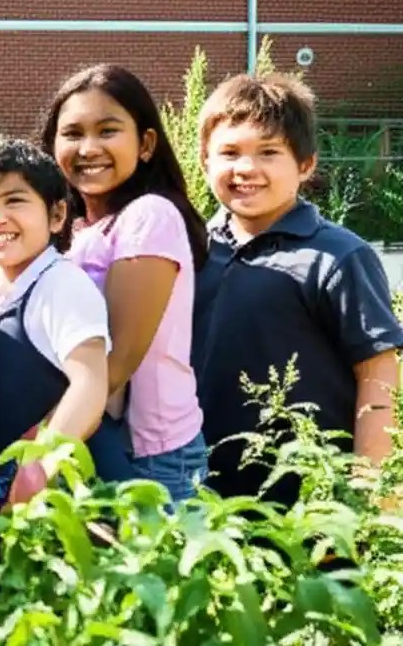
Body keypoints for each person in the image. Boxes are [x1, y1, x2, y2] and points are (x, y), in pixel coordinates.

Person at [192, 73, 403, 505]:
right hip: (195, 492)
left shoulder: (339, 256)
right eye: (229, 153)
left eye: (269, 152)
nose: (246, 168)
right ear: (204, 162)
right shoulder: (189, 251)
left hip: (308, 500)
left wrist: (370, 491)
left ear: (306, 165)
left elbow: (378, 374)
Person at [40, 63, 209, 501]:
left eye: (108, 131)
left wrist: (39, 444)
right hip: (85, 437)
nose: (88, 147)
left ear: (146, 143)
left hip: (147, 457)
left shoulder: (149, 216)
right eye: (72, 133)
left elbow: (115, 362)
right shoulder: (70, 230)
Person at [0, 139, 110, 508]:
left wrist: (39, 471)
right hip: (4, 487)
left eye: (14, 201)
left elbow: (90, 385)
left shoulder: (62, 283)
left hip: (69, 489)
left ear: (57, 215)